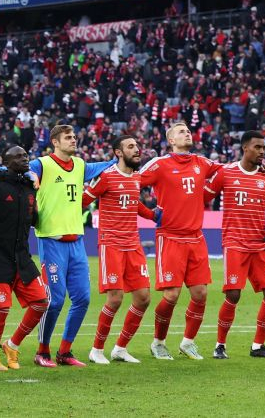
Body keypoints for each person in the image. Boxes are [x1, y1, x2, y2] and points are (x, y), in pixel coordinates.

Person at [28, 124, 114, 367]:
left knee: (83, 299)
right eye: (68, 137)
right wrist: (31, 177)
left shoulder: (80, 166)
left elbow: (104, 166)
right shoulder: (43, 164)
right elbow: (24, 170)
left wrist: (118, 159)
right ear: (55, 142)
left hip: (76, 242)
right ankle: (42, 350)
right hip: (51, 241)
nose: (74, 140)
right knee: (55, 300)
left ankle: (65, 352)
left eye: (75, 136)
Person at [139, 122, 223, 360]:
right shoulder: (159, 164)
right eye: (180, 131)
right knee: (172, 295)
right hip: (170, 237)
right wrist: (146, 211)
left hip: (196, 238)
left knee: (200, 293)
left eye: (188, 130)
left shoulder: (202, 162)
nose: (186, 133)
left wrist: (260, 168)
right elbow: (129, 181)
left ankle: (188, 342)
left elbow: (228, 171)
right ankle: (158, 342)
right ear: (171, 141)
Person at [0, 146, 49, 371]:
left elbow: (33, 219)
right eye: (19, 156)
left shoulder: (28, 188)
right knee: (2, 309)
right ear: (6, 161)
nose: (25, 158)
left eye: (26, 155)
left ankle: (12, 345)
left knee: (41, 302)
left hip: (22, 259)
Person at [205, 130, 265, 359]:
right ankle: (220, 345)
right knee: (234, 295)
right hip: (235, 243)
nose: (262, 152)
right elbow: (202, 197)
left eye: (263, 148)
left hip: (259, 244)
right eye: (257, 147)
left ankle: (258, 346)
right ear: (245, 148)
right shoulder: (226, 173)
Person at [82, 134, 157, 364]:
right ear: (118, 152)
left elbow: (134, 204)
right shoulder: (105, 176)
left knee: (143, 298)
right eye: (131, 146)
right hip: (111, 243)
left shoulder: (136, 177)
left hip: (133, 244)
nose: (137, 150)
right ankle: (96, 349)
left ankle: (120, 348)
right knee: (115, 299)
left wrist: (155, 215)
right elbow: (84, 200)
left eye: (137, 146)